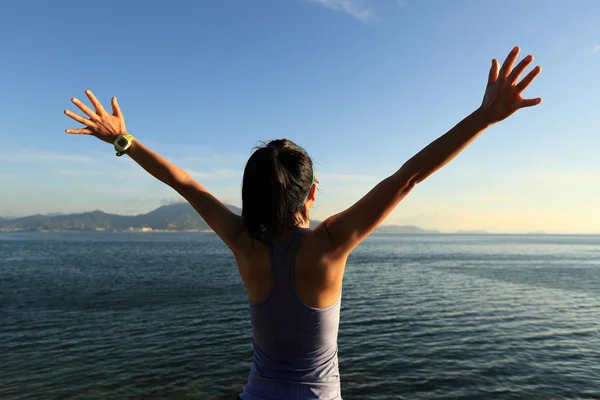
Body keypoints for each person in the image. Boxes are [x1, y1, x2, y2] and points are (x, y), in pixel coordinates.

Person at [64, 46, 541, 400]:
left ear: (250, 195)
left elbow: (184, 184)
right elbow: (408, 176)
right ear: (312, 192)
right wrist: (483, 117)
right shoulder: (330, 245)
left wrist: (123, 138)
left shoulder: (243, 243)